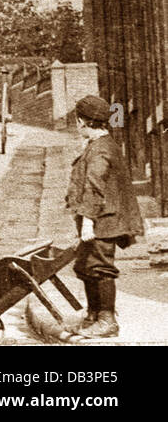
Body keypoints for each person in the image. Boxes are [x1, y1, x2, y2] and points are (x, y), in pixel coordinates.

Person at [66, 94, 145, 339]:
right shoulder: (98, 144)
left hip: (104, 220)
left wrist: (87, 222)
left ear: (82, 121)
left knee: (100, 268)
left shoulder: (100, 150)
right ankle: (93, 316)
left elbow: (94, 186)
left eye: (77, 121)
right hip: (100, 218)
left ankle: (107, 320)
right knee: (85, 266)